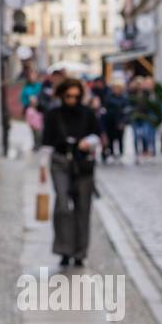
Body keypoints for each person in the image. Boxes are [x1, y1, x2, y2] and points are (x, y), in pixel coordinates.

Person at [42, 79, 101, 268]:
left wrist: (88, 143)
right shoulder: (53, 115)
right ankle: (64, 249)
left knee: (83, 208)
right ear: (61, 95)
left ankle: (80, 253)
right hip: (60, 162)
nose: (72, 100)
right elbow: (46, 143)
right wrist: (42, 168)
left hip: (83, 165)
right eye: (68, 96)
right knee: (62, 205)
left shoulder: (88, 113)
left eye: (76, 96)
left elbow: (97, 135)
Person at [129, 78, 158, 160]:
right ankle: (137, 152)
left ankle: (148, 151)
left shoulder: (147, 94)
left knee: (147, 135)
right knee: (136, 136)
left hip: (145, 116)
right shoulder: (133, 93)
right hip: (135, 117)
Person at [101, 82, 130, 163]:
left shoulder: (124, 98)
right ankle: (111, 153)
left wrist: (123, 122)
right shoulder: (108, 98)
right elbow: (104, 109)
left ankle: (121, 154)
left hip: (120, 121)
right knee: (110, 138)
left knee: (120, 139)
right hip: (110, 121)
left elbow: (126, 111)